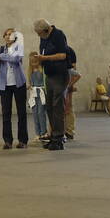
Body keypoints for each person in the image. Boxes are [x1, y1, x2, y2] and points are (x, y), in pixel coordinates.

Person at [33, 19, 70, 150]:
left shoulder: (58, 35)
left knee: (57, 106)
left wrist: (45, 58)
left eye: (39, 33)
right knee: (49, 106)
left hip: (60, 75)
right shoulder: (44, 38)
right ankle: (53, 136)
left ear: (46, 30)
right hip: (49, 75)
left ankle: (59, 138)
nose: (38, 36)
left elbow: (62, 55)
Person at [0, 28, 28, 148]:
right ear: (4, 37)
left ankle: (23, 141)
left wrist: (1, 57)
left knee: (21, 113)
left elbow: (16, 59)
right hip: (5, 85)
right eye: (6, 35)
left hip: (19, 83)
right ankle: (7, 141)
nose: (8, 37)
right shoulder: (1, 49)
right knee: (6, 113)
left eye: (11, 35)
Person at [28, 53, 48, 140]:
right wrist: (29, 86)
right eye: (32, 62)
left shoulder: (42, 70)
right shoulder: (30, 71)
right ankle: (37, 133)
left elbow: (45, 82)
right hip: (34, 94)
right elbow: (30, 82)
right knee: (35, 114)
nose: (34, 64)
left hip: (41, 93)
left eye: (36, 62)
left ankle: (44, 132)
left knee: (41, 113)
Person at [64, 51, 82, 140]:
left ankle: (69, 131)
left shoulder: (69, 51)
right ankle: (59, 131)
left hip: (67, 86)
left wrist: (70, 85)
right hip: (61, 86)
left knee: (69, 108)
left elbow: (74, 70)